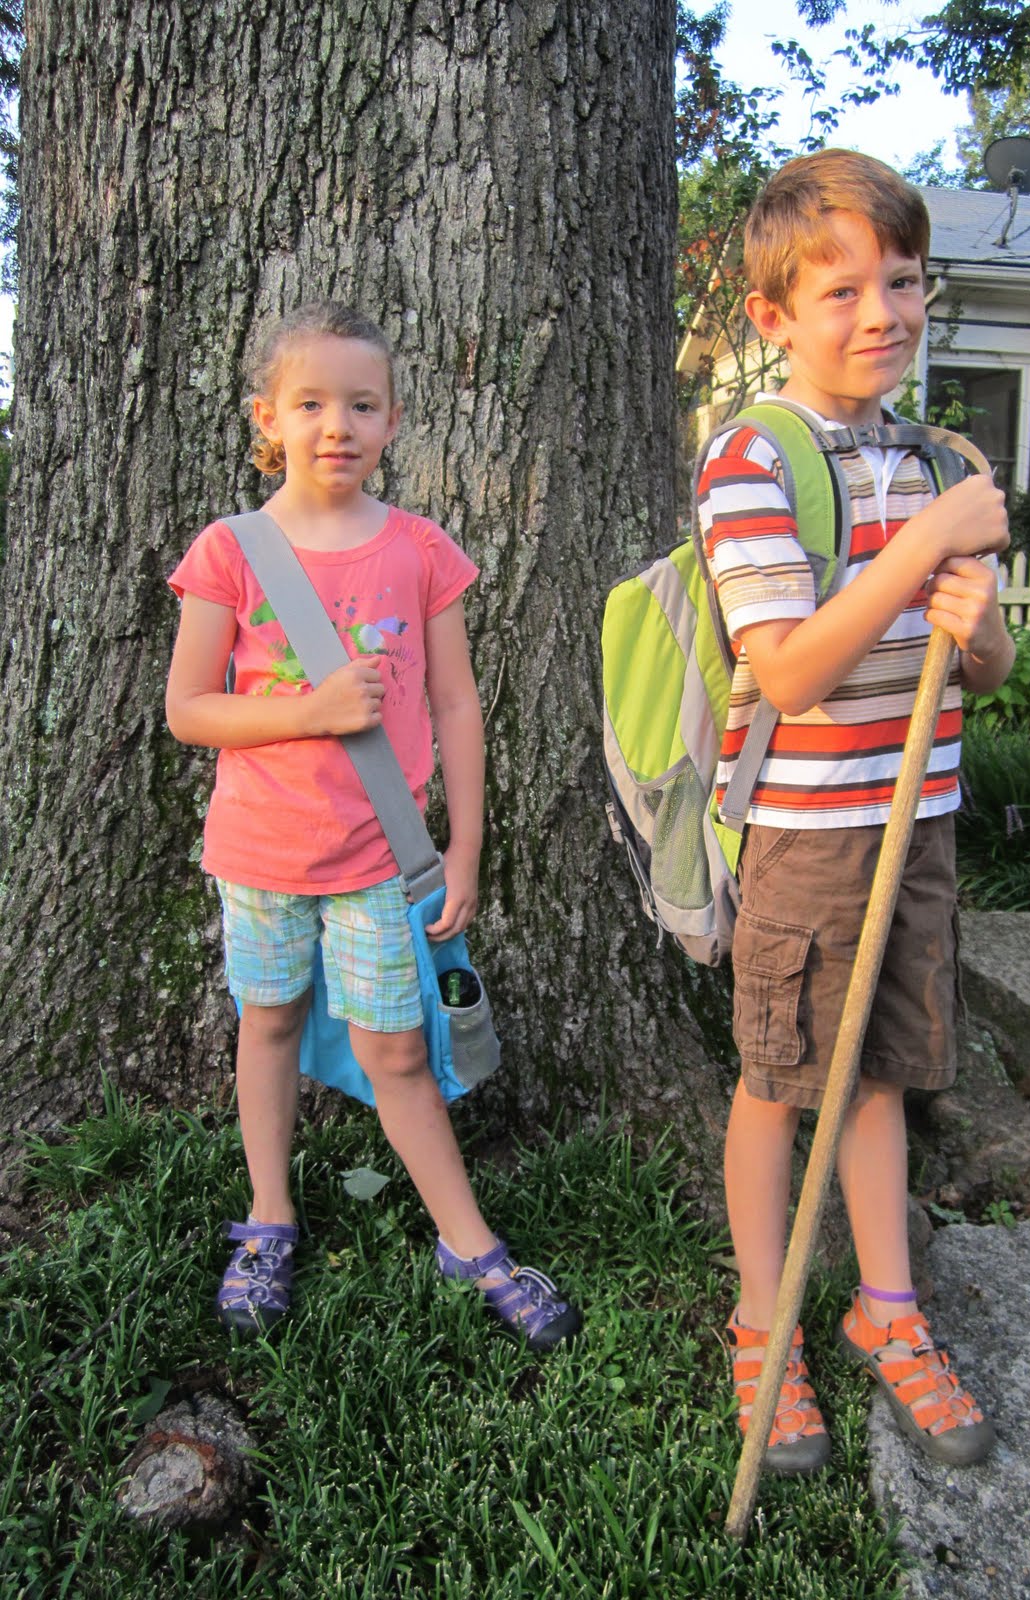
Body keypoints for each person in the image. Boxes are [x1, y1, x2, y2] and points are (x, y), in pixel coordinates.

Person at [165, 301, 579, 1351]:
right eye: (310, 403)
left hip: (382, 864)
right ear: (268, 419)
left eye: (361, 404)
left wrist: (468, 848)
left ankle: (468, 1240)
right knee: (267, 1023)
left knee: (398, 1051)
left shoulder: (420, 549)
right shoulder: (231, 552)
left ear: (394, 421)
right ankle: (267, 1220)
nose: (335, 425)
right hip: (258, 854)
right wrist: (309, 711)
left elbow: (455, 705)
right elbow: (188, 709)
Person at [697, 151, 1014, 1472]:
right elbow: (790, 670)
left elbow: (983, 669)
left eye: (903, 279)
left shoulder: (940, 459)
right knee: (781, 1081)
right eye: (843, 290)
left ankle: (889, 1310)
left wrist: (977, 615)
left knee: (881, 1071)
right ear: (773, 316)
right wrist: (928, 546)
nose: (882, 311)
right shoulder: (751, 460)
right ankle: (763, 1321)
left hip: (918, 818)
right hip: (813, 833)